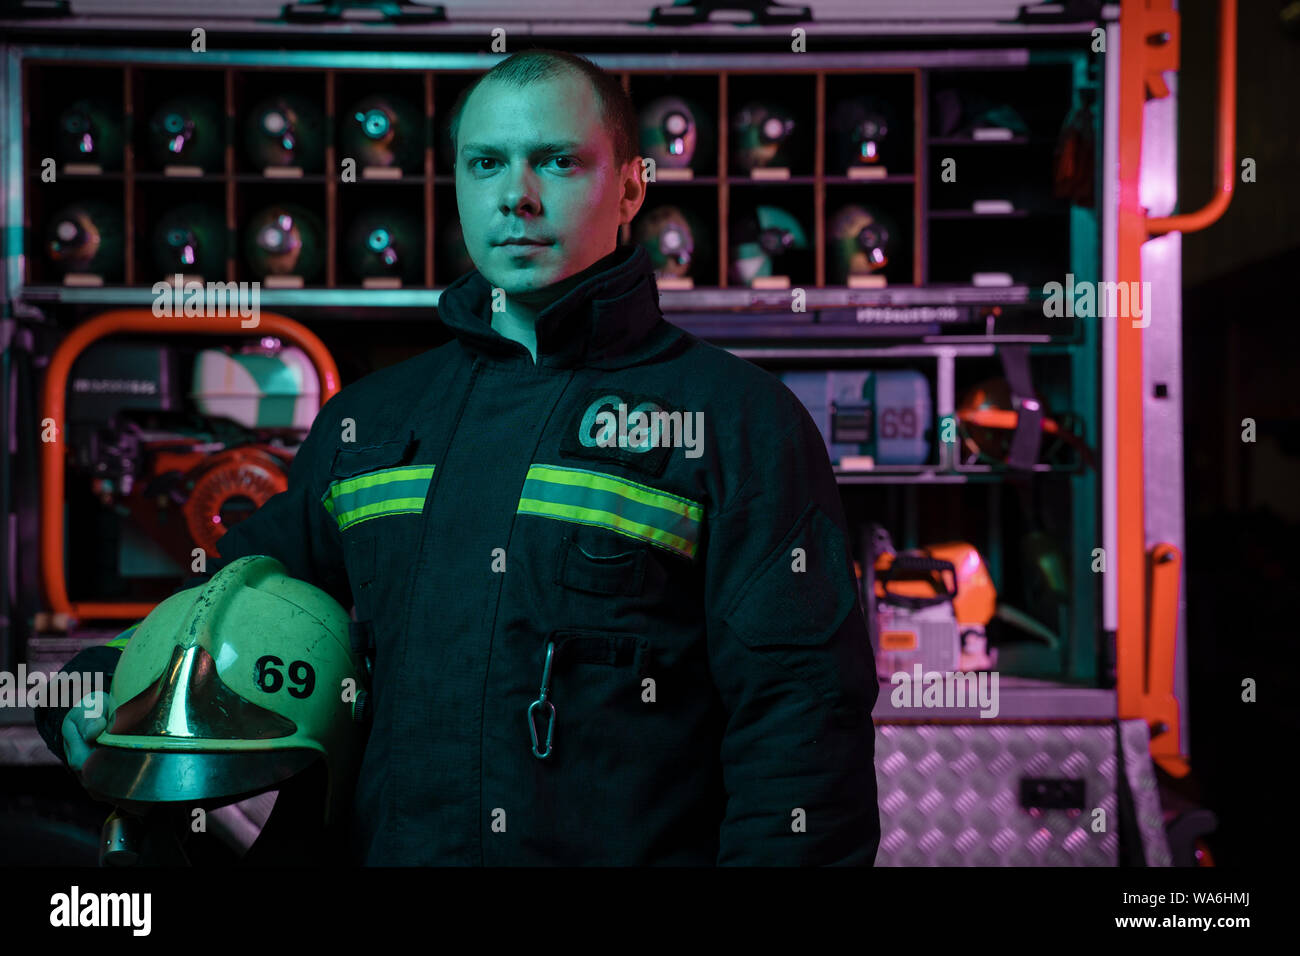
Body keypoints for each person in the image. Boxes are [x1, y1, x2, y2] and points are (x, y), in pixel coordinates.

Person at [39, 47, 881, 866]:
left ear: (630, 188)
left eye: (556, 162)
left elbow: (802, 724)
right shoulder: (373, 421)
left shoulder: (735, 422)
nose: (515, 198)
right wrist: (104, 685)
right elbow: (234, 600)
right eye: (486, 164)